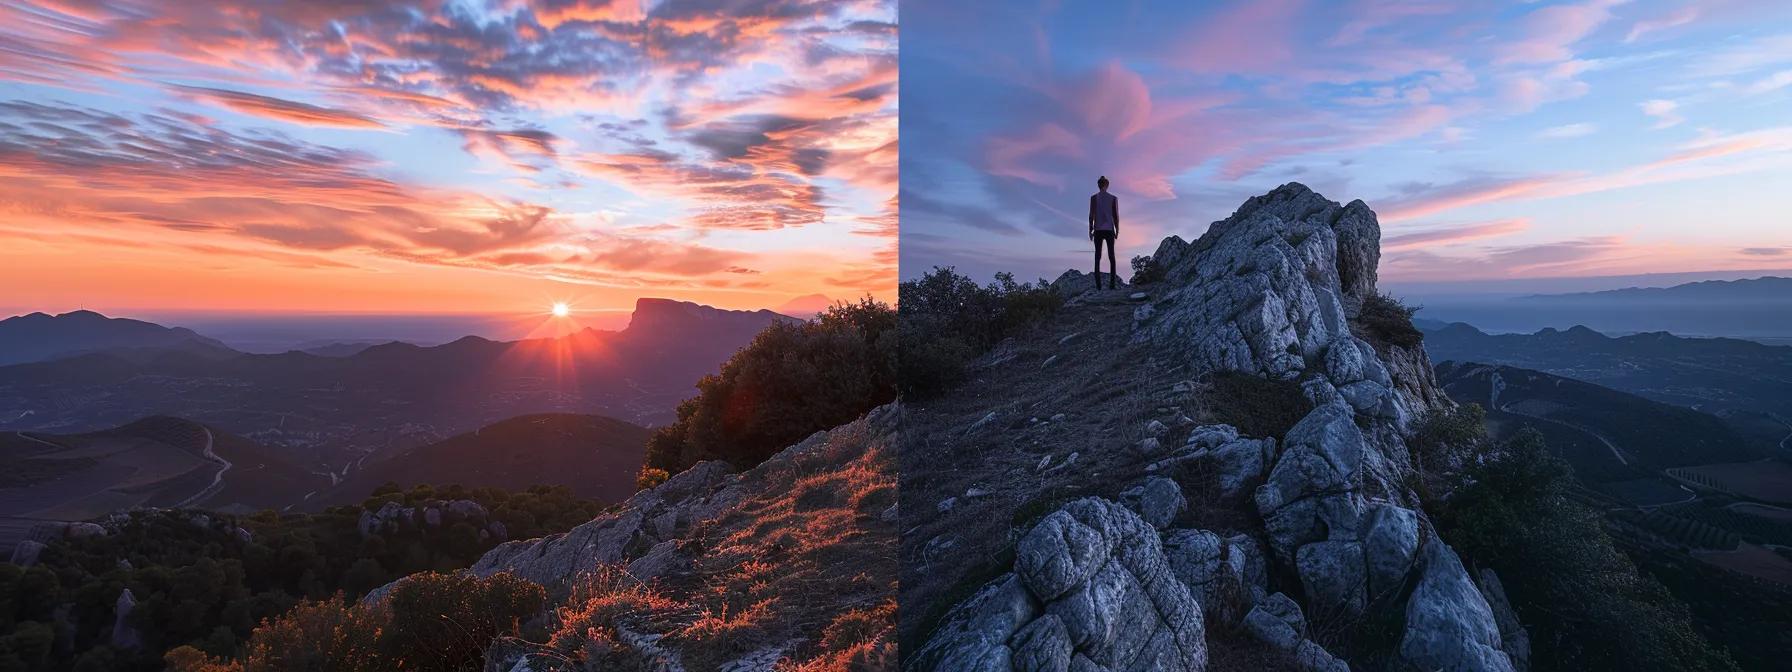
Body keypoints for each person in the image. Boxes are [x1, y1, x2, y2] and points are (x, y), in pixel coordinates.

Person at [1088, 175, 1119, 290]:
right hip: (1109, 229)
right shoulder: (1113, 198)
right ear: (1107, 185)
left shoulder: (1094, 198)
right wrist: (1117, 230)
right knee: (1112, 256)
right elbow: (1116, 216)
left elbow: (1091, 215)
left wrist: (1090, 230)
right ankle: (1112, 285)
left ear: (1098, 185)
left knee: (1097, 256)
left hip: (1098, 230)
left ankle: (1098, 286)